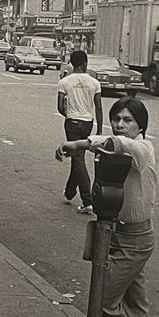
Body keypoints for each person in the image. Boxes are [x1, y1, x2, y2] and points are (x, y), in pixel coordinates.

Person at [57, 96, 157, 317]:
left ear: (141, 126)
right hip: (119, 234)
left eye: (128, 120)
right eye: (117, 119)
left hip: (135, 240)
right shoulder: (117, 149)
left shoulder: (142, 149)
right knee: (136, 304)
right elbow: (110, 143)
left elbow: (119, 143)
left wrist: (77, 144)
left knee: (103, 299)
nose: (120, 125)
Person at [57, 50, 103, 213]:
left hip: (72, 122)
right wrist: (99, 129)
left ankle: (87, 200)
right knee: (78, 157)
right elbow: (98, 107)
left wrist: (69, 114)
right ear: (84, 63)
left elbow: (60, 106)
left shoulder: (65, 81)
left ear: (71, 63)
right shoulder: (94, 82)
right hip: (88, 123)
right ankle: (70, 192)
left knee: (78, 159)